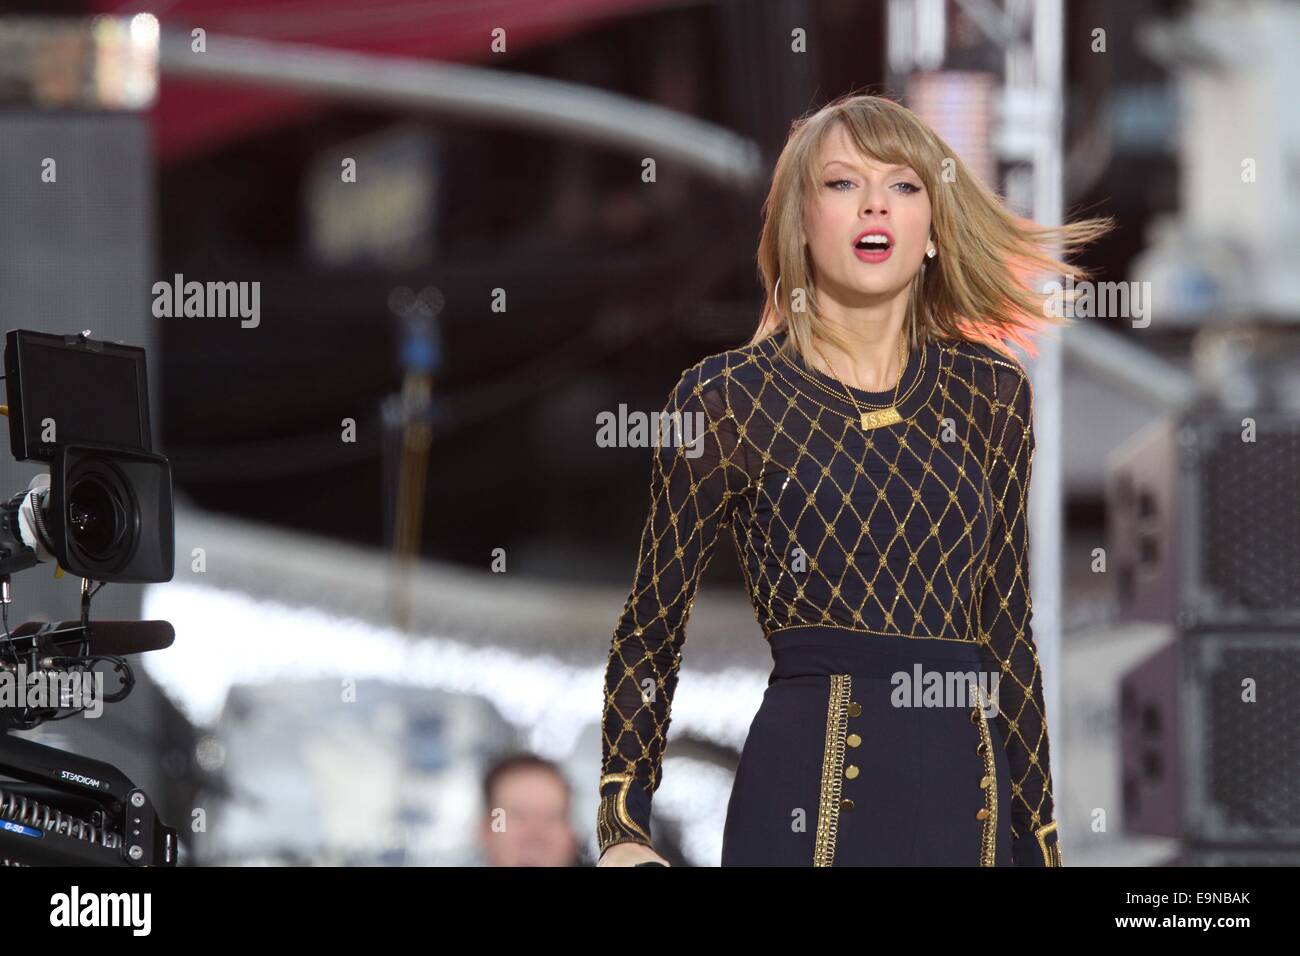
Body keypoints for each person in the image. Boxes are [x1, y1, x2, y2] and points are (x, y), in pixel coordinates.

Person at [596, 91, 1112, 867]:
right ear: (800, 224)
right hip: (805, 796)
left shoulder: (992, 392)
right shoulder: (728, 399)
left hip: (967, 805)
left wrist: (1040, 840)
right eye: (842, 184)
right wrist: (622, 828)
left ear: (934, 228)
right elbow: (652, 627)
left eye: (904, 185)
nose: (876, 203)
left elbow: (1007, 631)